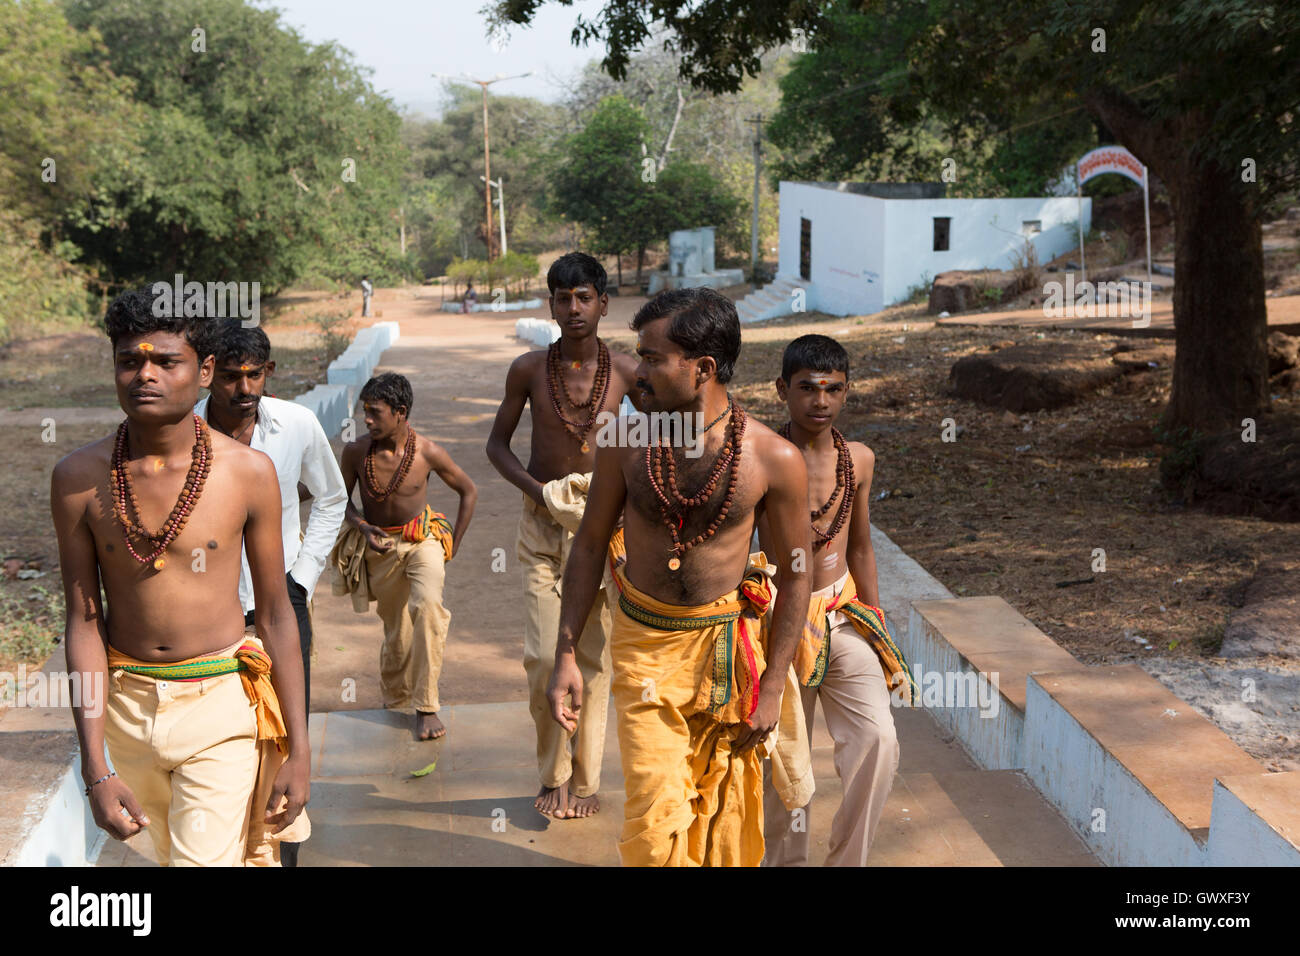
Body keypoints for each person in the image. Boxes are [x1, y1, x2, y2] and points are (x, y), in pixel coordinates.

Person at [546, 287, 813, 866]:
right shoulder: (625, 443)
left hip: (725, 654)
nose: (637, 372)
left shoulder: (773, 459)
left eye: (650, 358)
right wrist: (566, 655)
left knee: (720, 811)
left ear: (703, 369)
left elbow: (796, 578)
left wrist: (770, 691)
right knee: (656, 809)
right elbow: (590, 546)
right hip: (642, 646)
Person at [51, 290, 310, 866]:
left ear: (204, 370)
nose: (145, 374)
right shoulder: (76, 478)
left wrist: (299, 748)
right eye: (129, 360)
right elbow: (84, 621)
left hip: (220, 700)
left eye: (166, 361)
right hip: (127, 708)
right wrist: (95, 766)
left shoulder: (248, 473)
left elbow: (272, 612)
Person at [485, 252, 639, 820]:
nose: (572, 308)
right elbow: (496, 447)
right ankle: (553, 772)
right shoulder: (528, 369)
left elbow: (651, 444)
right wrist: (538, 491)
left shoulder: (626, 372)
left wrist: (623, 503)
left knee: (593, 659)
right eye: (561, 297)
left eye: (584, 297)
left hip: (604, 530)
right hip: (543, 525)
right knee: (542, 656)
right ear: (549, 303)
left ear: (603, 303)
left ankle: (588, 778)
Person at [194, 319, 347, 867]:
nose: (244, 389)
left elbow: (332, 497)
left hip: (279, 607)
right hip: (209, 616)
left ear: (269, 372)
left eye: (254, 375)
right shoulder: (180, 434)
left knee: (288, 734)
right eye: (231, 376)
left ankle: (285, 856)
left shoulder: (298, 425)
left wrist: (301, 576)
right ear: (208, 374)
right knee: (223, 738)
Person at [759, 334, 913, 867]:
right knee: (782, 762)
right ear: (782, 390)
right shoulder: (763, 455)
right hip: (779, 620)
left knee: (879, 741)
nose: (819, 401)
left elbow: (863, 546)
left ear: (847, 393)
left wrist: (877, 622)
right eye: (806, 388)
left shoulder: (860, 461)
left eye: (832, 389)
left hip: (842, 615)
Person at [330, 372, 477, 740]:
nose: (366, 419)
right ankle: (396, 701)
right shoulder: (356, 451)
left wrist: (453, 543)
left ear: (400, 412)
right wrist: (363, 526)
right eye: (365, 411)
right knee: (397, 631)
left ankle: (427, 706)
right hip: (380, 548)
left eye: (375, 413)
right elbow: (339, 499)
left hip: (422, 539)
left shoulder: (428, 452)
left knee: (427, 607)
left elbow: (468, 491)